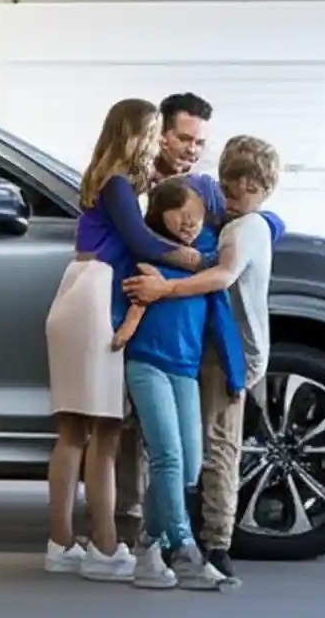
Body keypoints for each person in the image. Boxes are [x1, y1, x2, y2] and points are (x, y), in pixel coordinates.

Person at [43, 98, 202, 581]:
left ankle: (60, 543)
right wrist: (191, 260)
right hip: (96, 299)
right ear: (135, 134)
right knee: (106, 432)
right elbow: (140, 242)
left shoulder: (103, 181)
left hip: (75, 288)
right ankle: (105, 548)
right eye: (154, 132)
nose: (158, 142)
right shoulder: (116, 184)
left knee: (73, 430)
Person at [123, 135, 284, 579]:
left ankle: (213, 543)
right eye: (230, 189)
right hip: (197, 346)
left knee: (212, 447)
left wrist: (165, 287)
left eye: (246, 192)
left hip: (231, 352)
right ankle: (173, 539)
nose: (234, 199)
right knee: (181, 449)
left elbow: (223, 274)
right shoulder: (217, 214)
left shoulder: (248, 227)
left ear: (263, 190)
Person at [114, 176, 248, 590]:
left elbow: (221, 320)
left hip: (186, 369)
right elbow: (122, 307)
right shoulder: (144, 252)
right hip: (146, 364)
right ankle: (186, 551)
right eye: (179, 216)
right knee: (167, 456)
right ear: (161, 214)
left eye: (195, 216)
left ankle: (148, 548)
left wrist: (235, 371)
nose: (188, 224)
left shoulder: (206, 257)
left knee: (190, 465)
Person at [115, 91, 214, 549]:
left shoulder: (204, 192)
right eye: (182, 138)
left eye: (199, 142)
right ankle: (159, 537)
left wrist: (187, 269)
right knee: (158, 450)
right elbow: (128, 246)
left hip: (184, 353)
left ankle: (153, 541)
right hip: (138, 343)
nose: (191, 149)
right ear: (159, 135)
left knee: (181, 457)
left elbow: (253, 223)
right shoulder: (130, 189)